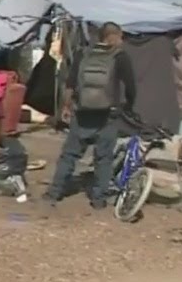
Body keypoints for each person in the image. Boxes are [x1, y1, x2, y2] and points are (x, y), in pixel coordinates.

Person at [42, 21, 137, 210]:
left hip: (82, 113)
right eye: (120, 37)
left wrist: (67, 107)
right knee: (103, 158)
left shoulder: (82, 54)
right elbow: (131, 87)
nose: (122, 41)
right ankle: (99, 199)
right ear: (113, 37)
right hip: (107, 115)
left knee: (69, 155)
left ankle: (54, 192)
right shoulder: (120, 57)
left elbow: (70, 84)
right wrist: (128, 106)